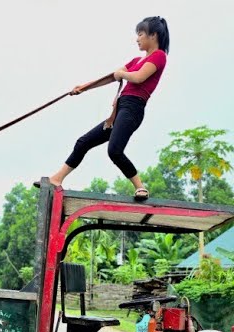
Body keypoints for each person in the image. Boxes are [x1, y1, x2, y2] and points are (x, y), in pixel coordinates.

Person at [46, 16, 170, 200]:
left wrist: (122, 73)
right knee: (83, 142)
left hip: (133, 109)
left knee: (114, 151)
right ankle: (56, 179)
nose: (137, 39)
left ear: (153, 35)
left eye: (141, 34)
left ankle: (140, 187)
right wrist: (83, 87)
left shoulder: (159, 56)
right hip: (120, 109)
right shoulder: (136, 60)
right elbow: (111, 77)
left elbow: (138, 78)